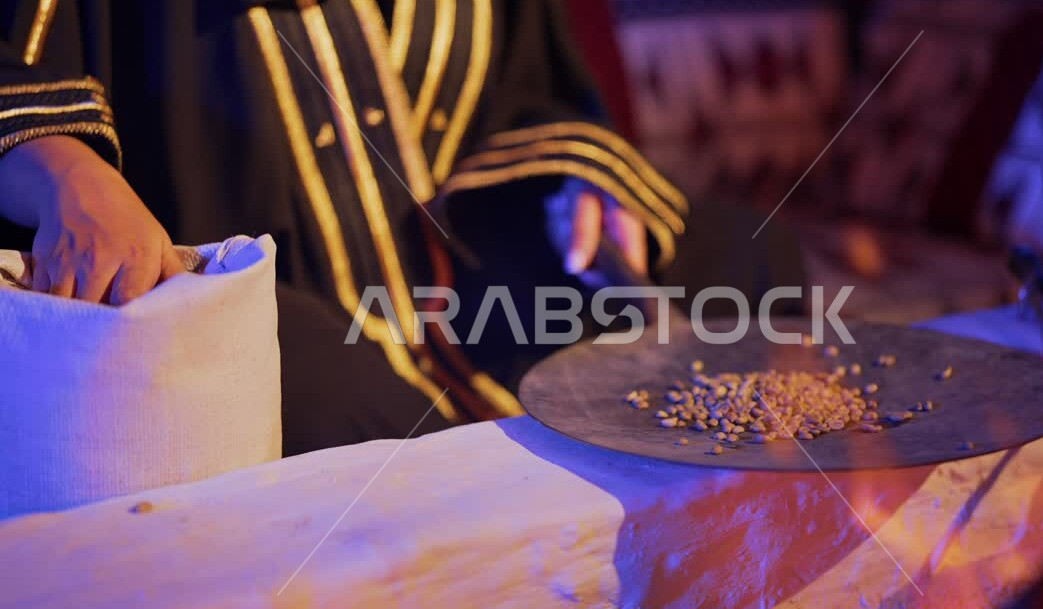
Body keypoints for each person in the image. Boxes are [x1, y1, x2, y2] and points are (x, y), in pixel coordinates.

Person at [0, 0, 802, 454]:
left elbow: (530, 93)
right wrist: (64, 170)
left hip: (471, 272)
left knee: (746, 261)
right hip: (255, 300)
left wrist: (576, 178)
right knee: (354, 418)